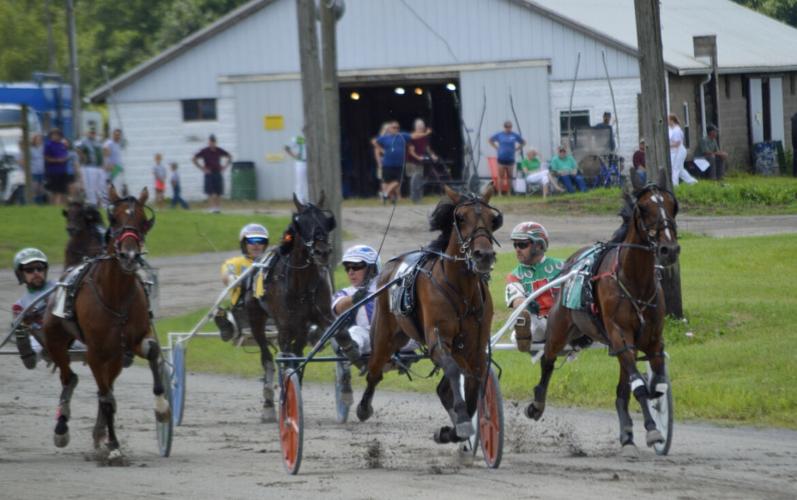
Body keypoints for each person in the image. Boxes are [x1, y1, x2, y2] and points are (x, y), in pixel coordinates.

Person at [505, 222, 564, 352]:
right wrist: (524, 305)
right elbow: (516, 300)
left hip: (564, 319)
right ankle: (523, 336)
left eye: (522, 244)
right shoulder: (514, 276)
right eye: (515, 245)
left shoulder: (563, 266)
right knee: (520, 327)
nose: (517, 249)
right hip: (540, 323)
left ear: (539, 245)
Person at [215, 223, 270, 341]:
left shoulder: (270, 262)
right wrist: (232, 279)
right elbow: (226, 276)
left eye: (260, 241)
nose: (256, 245)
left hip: (271, 306)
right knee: (219, 311)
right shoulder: (235, 262)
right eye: (252, 241)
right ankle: (226, 325)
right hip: (243, 308)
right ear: (244, 243)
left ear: (265, 244)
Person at [11, 248, 55, 369]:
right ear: (20, 274)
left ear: (45, 270)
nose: (36, 273)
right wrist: (26, 321)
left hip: (69, 332)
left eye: (39, 268)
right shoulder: (20, 305)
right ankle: (28, 354)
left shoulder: (59, 286)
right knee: (24, 332)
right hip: (43, 338)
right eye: (29, 270)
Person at [372, 120, 411, 204]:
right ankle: (387, 196)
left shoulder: (396, 138)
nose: (395, 129)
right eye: (393, 128)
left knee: (393, 181)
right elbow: (376, 150)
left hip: (395, 164)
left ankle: (388, 196)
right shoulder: (383, 139)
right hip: (385, 163)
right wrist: (379, 161)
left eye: (397, 128)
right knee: (385, 181)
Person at [193, 134, 232, 213]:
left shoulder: (219, 150)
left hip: (217, 172)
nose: (212, 143)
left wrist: (224, 167)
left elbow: (229, 156)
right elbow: (194, 159)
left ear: (215, 142)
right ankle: (211, 207)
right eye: (211, 142)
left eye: (214, 142)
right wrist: (202, 168)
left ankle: (217, 208)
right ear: (209, 142)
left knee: (218, 192)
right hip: (209, 173)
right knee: (210, 192)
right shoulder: (205, 151)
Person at [489, 120, 526, 196]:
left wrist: (516, 149)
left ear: (511, 127)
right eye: (506, 127)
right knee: (501, 176)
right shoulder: (499, 135)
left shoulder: (514, 135)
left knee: (509, 176)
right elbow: (490, 140)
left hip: (510, 159)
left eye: (509, 127)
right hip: (501, 158)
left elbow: (523, 142)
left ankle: (509, 192)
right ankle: (499, 193)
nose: (508, 128)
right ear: (504, 127)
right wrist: (496, 147)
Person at [406, 118, 437, 203]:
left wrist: (432, 155)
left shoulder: (424, 137)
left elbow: (427, 148)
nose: (422, 128)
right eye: (420, 127)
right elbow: (410, 150)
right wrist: (418, 157)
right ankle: (413, 197)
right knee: (413, 179)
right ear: (416, 127)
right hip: (411, 161)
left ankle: (419, 197)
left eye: (422, 127)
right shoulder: (412, 136)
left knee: (419, 179)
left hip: (420, 161)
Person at [76, 127, 106, 206]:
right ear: (88, 133)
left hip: (99, 167)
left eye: (93, 133)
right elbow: (78, 149)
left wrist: (103, 164)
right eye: (91, 133)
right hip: (89, 166)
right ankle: (93, 203)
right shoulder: (84, 141)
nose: (92, 134)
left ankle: (102, 203)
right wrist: (82, 157)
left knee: (100, 186)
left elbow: (102, 153)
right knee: (90, 186)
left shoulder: (98, 141)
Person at [669, 114, 697, 187]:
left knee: (674, 169)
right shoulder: (672, 130)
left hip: (679, 151)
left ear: (672, 120)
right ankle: (693, 182)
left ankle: (675, 186)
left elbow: (677, 143)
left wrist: (667, 146)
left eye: (668, 120)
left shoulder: (677, 130)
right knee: (680, 170)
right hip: (675, 151)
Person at [43, 128, 69, 205]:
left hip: (62, 171)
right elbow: (46, 158)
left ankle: (59, 204)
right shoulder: (48, 145)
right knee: (53, 190)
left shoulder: (62, 145)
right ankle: (53, 205)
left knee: (62, 190)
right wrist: (57, 160)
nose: (56, 136)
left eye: (57, 135)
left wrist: (65, 159)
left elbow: (65, 154)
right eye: (54, 135)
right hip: (53, 171)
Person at [284, 133, 308, 203]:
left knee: (309, 182)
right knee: (300, 182)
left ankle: (308, 199)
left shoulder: (313, 138)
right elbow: (286, 147)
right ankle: (300, 201)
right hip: (301, 162)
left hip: (311, 163)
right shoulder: (299, 139)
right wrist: (294, 155)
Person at [103, 128, 125, 194]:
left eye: (119, 135)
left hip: (117, 168)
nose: (117, 136)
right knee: (109, 184)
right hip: (112, 168)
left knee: (116, 186)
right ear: (113, 135)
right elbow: (105, 154)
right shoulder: (109, 143)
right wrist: (107, 164)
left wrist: (121, 167)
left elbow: (118, 157)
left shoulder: (118, 144)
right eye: (116, 135)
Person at [26, 133, 46, 204]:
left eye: (40, 139)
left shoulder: (43, 148)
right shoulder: (30, 149)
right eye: (37, 139)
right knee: (35, 187)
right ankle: (33, 202)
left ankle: (40, 202)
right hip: (34, 171)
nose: (39, 141)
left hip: (42, 170)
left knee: (41, 188)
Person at [373, 122, 390, 202]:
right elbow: (376, 152)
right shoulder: (380, 139)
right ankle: (383, 195)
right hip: (383, 162)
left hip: (391, 162)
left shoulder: (391, 139)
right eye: (386, 129)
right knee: (384, 180)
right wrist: (379, 163)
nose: (388, 131)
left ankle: (386, 195)